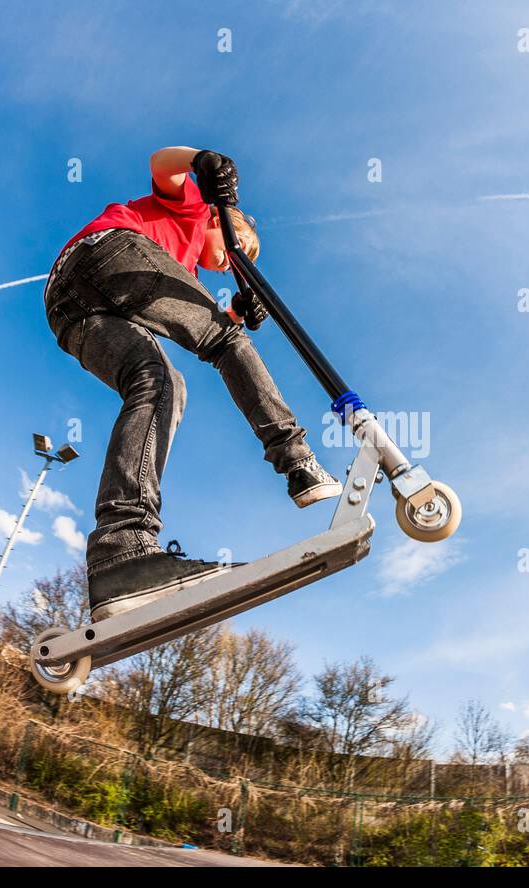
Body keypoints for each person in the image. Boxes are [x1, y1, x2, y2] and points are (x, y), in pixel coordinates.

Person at [43, 147, 340, 622]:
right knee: (226, 343)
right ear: (221, 220)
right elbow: (163, 164)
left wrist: (235, 314)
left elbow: (191, 316)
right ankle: (297, 460)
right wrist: (202, 159)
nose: (231, 265)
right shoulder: (192, 209)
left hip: (69, 310)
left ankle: (123, 554)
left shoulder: (183, 269)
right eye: (237, 247)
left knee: (161, 383)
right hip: (108, 252)